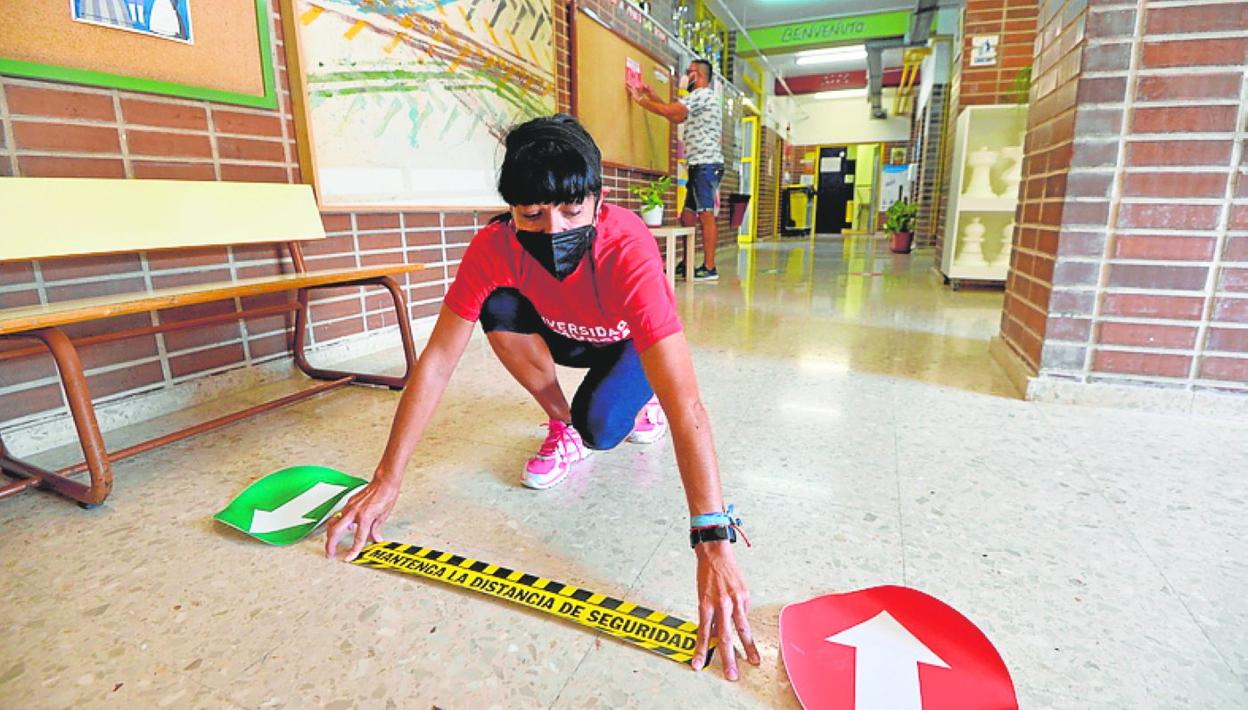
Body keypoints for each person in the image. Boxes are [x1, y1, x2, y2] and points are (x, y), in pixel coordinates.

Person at [326, 114, 759, 680]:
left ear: (598, 201)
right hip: (563, 333)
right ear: (511, 209)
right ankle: (562, 425)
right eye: (532, 213)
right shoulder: (493, 247)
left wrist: (713, 540)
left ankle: (631, 399)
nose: (554, 230)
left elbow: (690, 407)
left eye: (573, 210)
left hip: (627, 345)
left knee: (603, 427)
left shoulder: (628, 249)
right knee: (501, 311)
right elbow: (435, 364)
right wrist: (387, 478)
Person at [629, 59, 724, 282]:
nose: (685, 76)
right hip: (698, 164)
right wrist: (652, 97)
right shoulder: (697, 98)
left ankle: (709, 267)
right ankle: (687, 261)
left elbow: (671, 111)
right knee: (687, 216)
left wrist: (641, 100)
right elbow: (675, 115)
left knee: (705, 214)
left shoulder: (703, 94)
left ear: (697, 75)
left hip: (706, 164)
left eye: (688, 72)